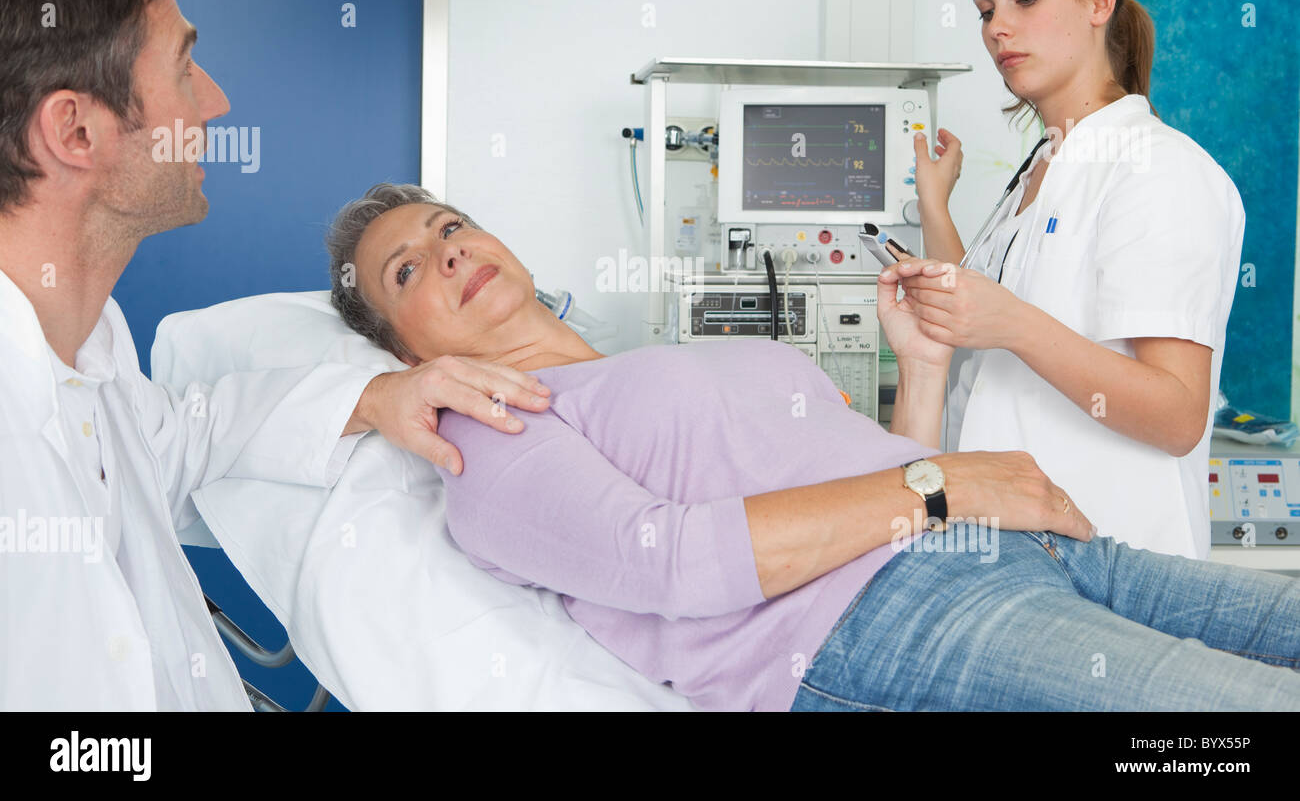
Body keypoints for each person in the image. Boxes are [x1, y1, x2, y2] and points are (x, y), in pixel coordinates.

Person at [325, 182, 1299, 712]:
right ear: (405, 349)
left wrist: (919, 368)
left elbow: (874, 475)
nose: (449, 248)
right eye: (408, 266)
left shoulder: (636, 361)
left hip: (1013, 547)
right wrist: (940, 483)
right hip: (885, 620)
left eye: (452, 224)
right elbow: (673, 561)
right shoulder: (494, 442)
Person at [0, 0, 548, 710]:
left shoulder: (86, 346)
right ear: (77, 132)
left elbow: (185, 435)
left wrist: (377, 396)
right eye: (185, 69)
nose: (215, 104)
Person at [903, 0, 1244, 560]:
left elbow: (1176, 415)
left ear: (1099, 2)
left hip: (1112, 564)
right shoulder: (1041, 169)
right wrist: (934, 208)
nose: (997, 28)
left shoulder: (1158, 171)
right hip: (1006, 554)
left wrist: (1016, 324)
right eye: (983, 10)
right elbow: (975, 327)